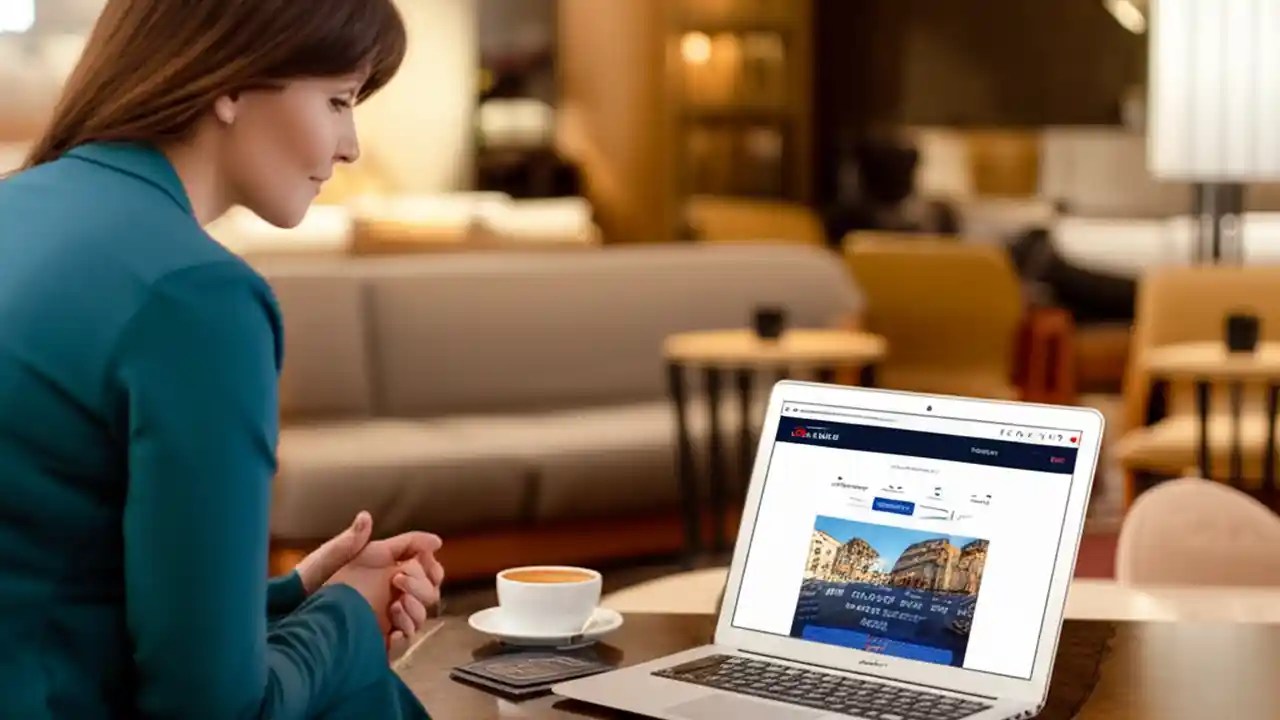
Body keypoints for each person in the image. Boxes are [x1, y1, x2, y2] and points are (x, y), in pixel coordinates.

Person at [0, 1, 443, 717]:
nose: (351, 146)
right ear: (230, 85)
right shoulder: (196, 297)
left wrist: (293, 595)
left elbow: (56, 584)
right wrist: (351, 616)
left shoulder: (17, 210)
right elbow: (215, 708)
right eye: (338, 101)